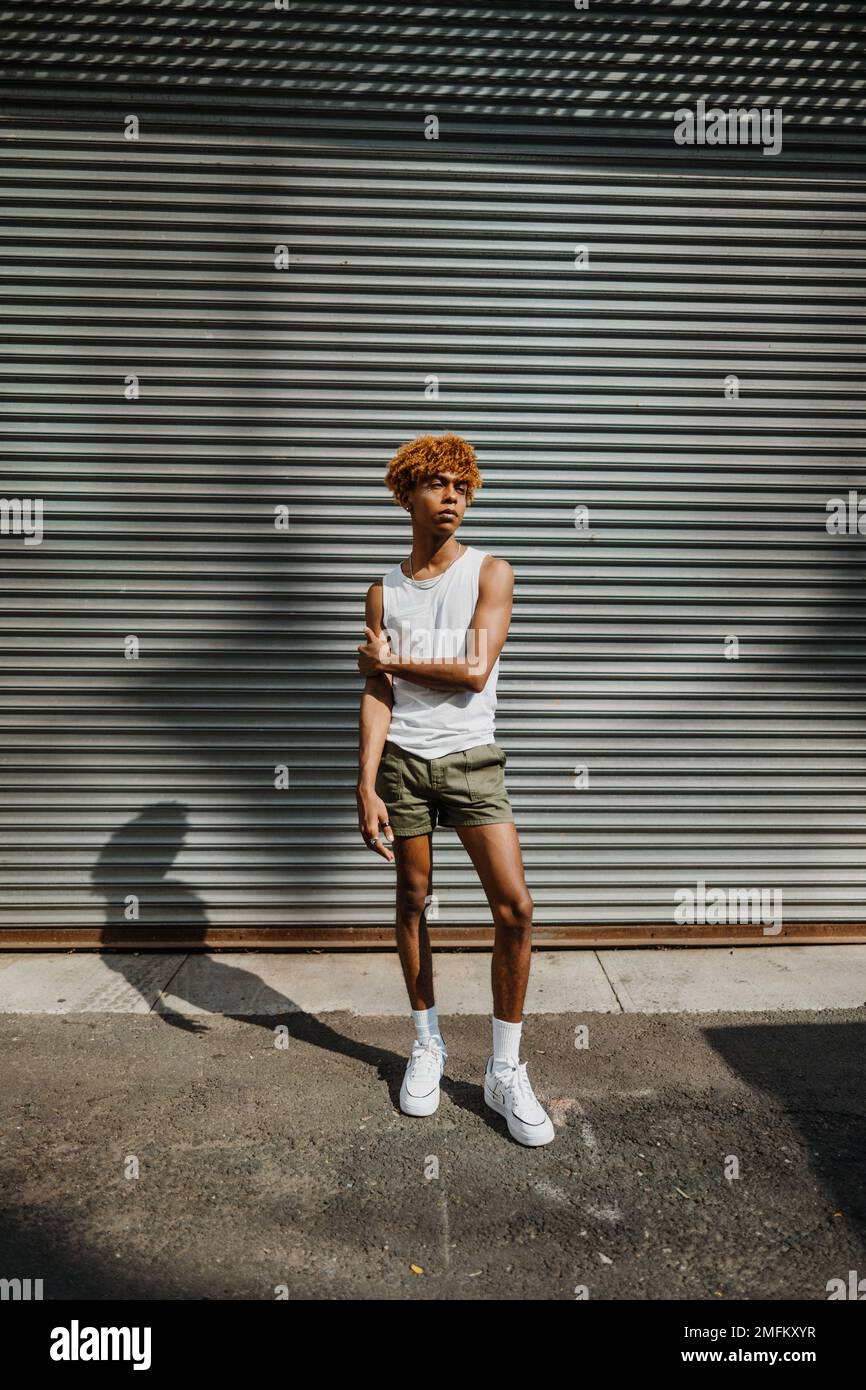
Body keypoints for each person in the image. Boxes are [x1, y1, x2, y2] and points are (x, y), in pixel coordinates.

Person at [355, 432, 555, 1147]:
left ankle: (504, 1069)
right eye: (437, 485)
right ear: (405, 493)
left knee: (516, 907)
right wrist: (365, 782)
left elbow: (474, 669)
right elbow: (377, 692)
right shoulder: (383, 589)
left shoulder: (492, 572)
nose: (453, 498)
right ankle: (427, 1043)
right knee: (412, 901)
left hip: (472, 760)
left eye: (463, 488)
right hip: (402, 765)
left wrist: (392, 657)